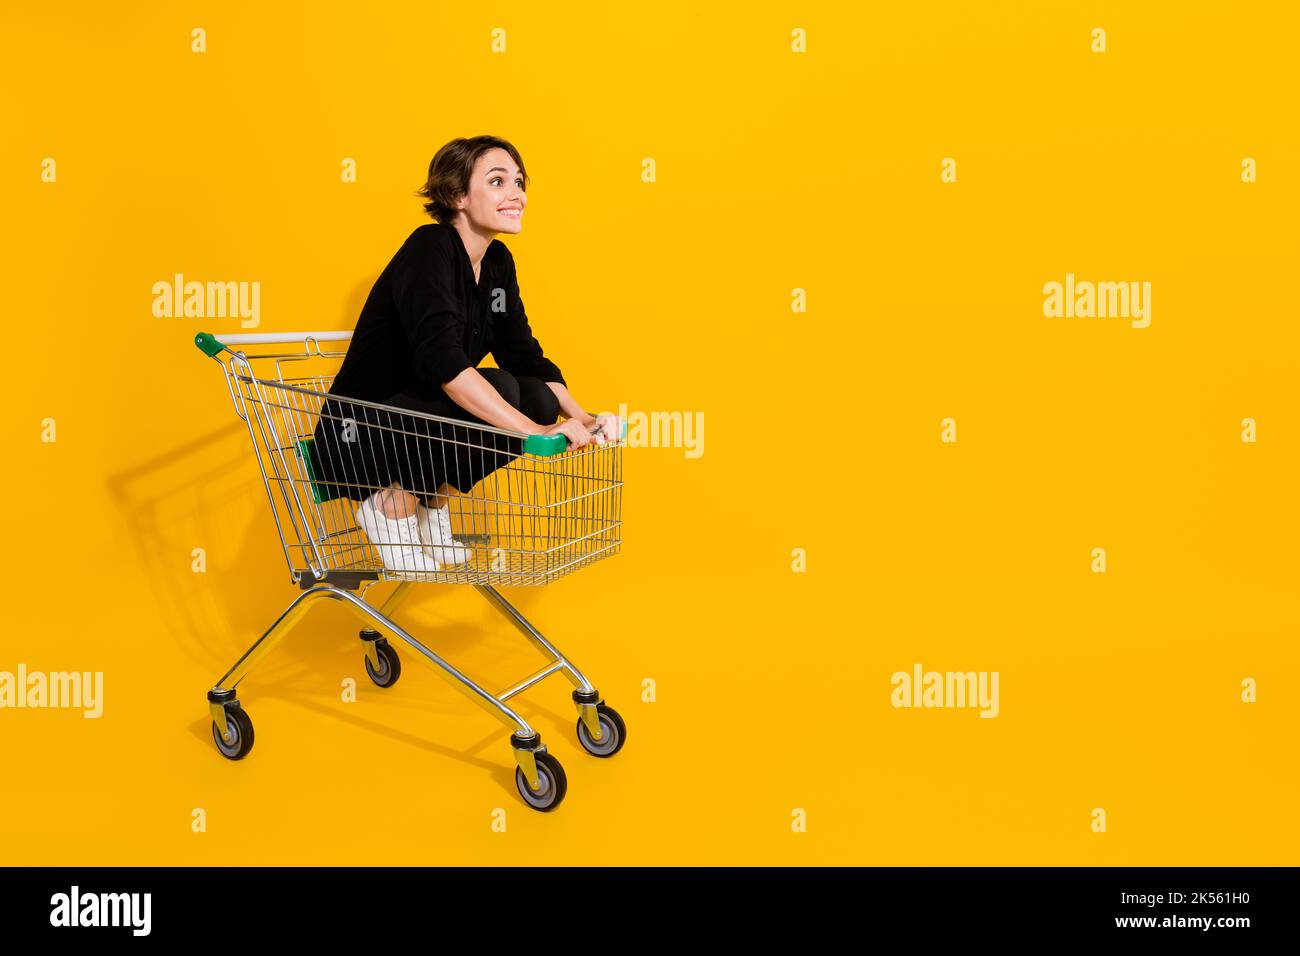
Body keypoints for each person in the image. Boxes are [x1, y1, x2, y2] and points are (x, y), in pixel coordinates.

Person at [311, 135, 622, 574]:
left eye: (519, 182)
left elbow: (523, 353)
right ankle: (390, 506)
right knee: (502, 389)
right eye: (497, 181)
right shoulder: (429, 248)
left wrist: (583, 417)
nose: (516, 194)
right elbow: (447, 368)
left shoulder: (497, 264)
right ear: (457, 195)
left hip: (417, 432)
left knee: (535, 394)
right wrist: (533, 431)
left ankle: (430, 508)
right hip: (361, 431)